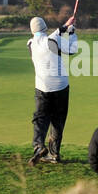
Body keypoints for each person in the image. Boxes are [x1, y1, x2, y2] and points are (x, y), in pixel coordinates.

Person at [27, 15, 78, 165]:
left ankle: (38, 147)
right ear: (45, 28)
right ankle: (54, 154)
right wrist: (72, 32)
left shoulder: (30, 43)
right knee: (58, 119)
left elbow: (49, 38)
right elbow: (72, 49)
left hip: (42, 87)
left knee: (40, 119)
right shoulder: (53, 40)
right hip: (61, 86)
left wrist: (64, 27)